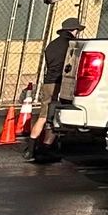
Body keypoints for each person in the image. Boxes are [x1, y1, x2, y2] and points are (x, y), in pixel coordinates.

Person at [29, 17, 84, 163]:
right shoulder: (70, 45)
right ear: (75, 30)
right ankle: (45, 149)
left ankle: (31, 148)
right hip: (60, 83)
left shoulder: (52, 45)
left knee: (44, 114)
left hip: (48, 82)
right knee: (54, 116)